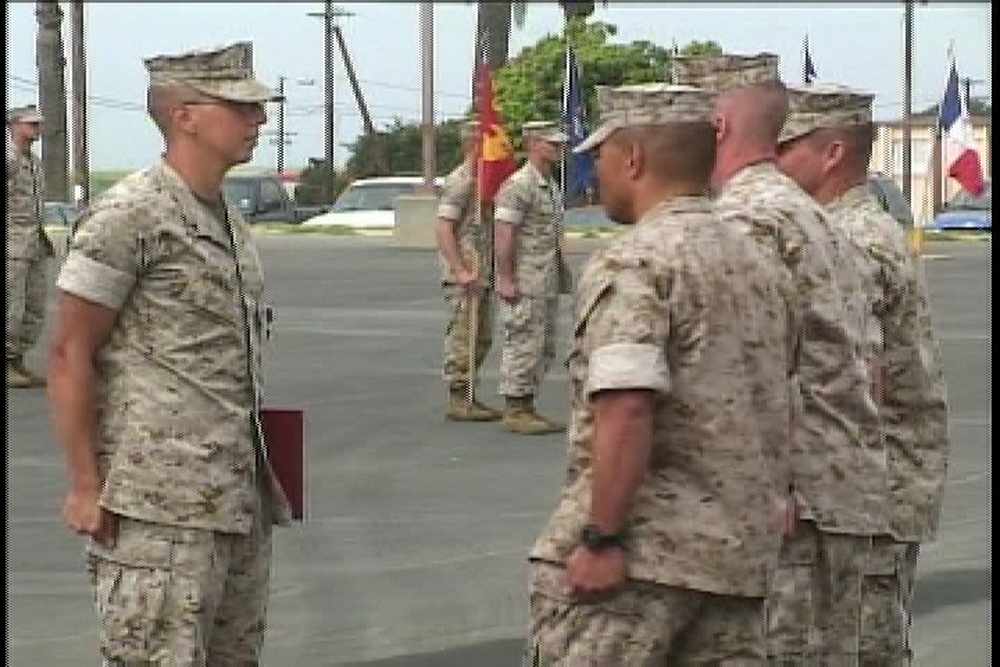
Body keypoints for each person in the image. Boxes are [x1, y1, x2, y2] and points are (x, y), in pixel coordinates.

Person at [526, 82, 795, 665]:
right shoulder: (760, 262)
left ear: (633, 159)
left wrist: (602, 536)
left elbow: (627, 405)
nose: (595, 171)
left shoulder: (639, 260)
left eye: (601, 155)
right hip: (736, 561)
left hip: (642, 561)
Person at [46, 42, 291, 665]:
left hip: (237, 495)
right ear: (186, 117)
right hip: (158, 507)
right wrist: (84, 484)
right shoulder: (129, 215)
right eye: (241, 107)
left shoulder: (228, 218)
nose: (259, 119)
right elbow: (70, 352)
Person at [673, 52, 888, 663]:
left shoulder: (747, 218)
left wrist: (765, 488)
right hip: (837, 491)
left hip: (790, 510)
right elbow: (869, 366)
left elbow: (753, 367)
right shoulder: (812, 214)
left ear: (714, 126)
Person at [775, 84, 951, 666]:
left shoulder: (850, 239)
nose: (774, 160)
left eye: (787, 147)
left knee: (862, 647)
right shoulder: (848, 227)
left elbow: (859, 379)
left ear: (832, 153)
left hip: (868, 495)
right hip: (872, 487)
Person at [493, 120, 571, 436]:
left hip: (544, 276)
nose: (559, 148)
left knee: (541, 344)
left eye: (559, 144)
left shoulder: (547, 183)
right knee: (523, 340)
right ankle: (515, 408)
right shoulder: (519, 185)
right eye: (552, 143)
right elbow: (504, 234)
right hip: (525, 277)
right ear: (533, 144)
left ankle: (526, 405)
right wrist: (506, 277)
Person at [435, 118, 502, 421]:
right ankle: (459, 398)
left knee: (482, 337)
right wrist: (460, 270)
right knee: (464, 336)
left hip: (482, 270)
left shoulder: (483, 183)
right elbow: (444, 228)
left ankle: (470, 395)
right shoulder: (461, 181)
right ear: (473, 144)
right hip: (464, 273)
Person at [7, 103, 54, 388]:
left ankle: (18, 360)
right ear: (14, 125)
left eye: (38, 124)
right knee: (11, 305)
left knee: (34, 306)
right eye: (31, 124)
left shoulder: (33, 162)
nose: (37, 129)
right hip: (12, 243)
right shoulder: (9, 159)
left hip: (33, 242)